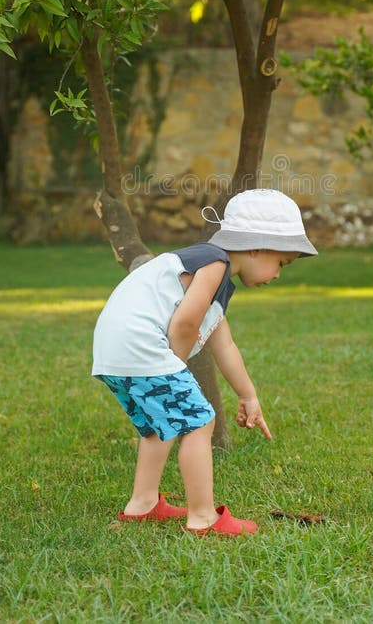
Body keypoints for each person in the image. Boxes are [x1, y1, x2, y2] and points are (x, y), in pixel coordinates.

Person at [92, 188, 317, 537]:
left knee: (159, 424)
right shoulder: (214, 262)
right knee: (199, 421)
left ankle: (143, 504)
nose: (278, 274)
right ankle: (203, 518)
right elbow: (184, 324)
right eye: (281, 263)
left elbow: (224, 344)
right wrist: (177, 370)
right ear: (256, 246)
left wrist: (249, 395)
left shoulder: (214, 277)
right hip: (140, 343)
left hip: (113, 349)